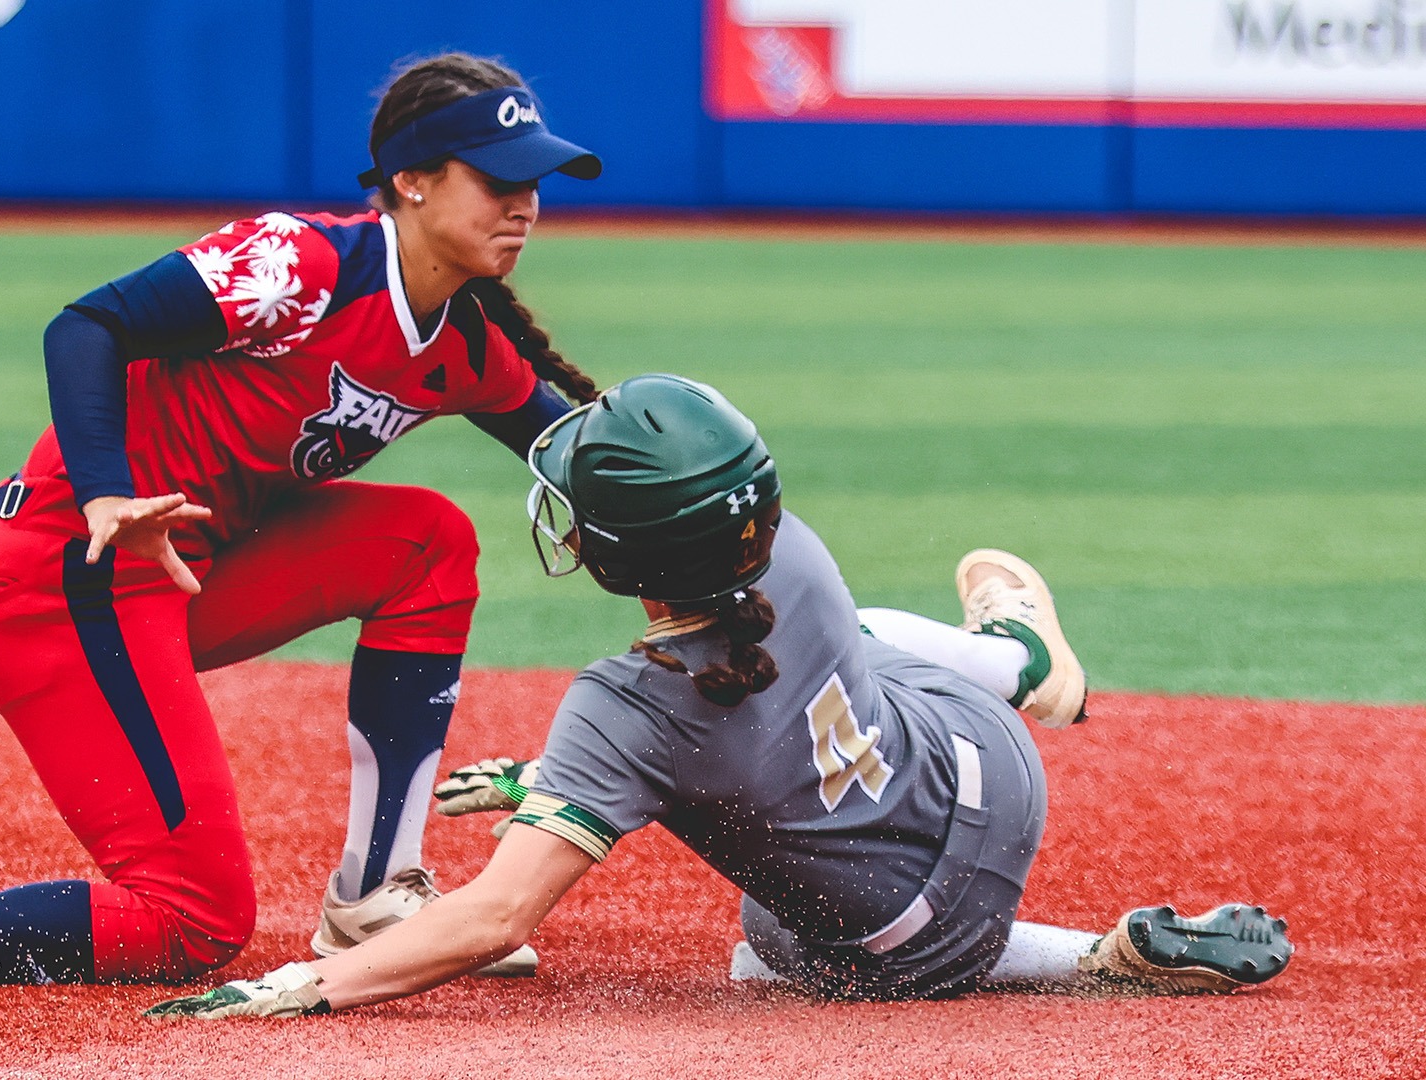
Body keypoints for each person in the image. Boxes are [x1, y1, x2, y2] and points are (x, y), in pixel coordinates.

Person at [0, 52, 607, 986]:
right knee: (193, 923)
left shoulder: (464, 344)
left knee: (429, 543)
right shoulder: (300, 267)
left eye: (534, 183)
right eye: (498, 179)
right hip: (62, 572)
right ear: (412, 180)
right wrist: (104, 492)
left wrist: (701, 552)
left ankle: (375, 894)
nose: (524, 204)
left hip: (180, 575)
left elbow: (589, 463)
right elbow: (87, 326)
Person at [142, 374, 1293, 1018]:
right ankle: (1020, 663)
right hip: (995, 765)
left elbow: (494, 919)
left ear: (616, 557)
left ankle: (1086, 957)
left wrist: (303, 984)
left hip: (923, 937)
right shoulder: (791, 553)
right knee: (866, 640)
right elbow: (748, 712)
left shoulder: (620, 714)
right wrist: (560, 778)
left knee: (764, 947)